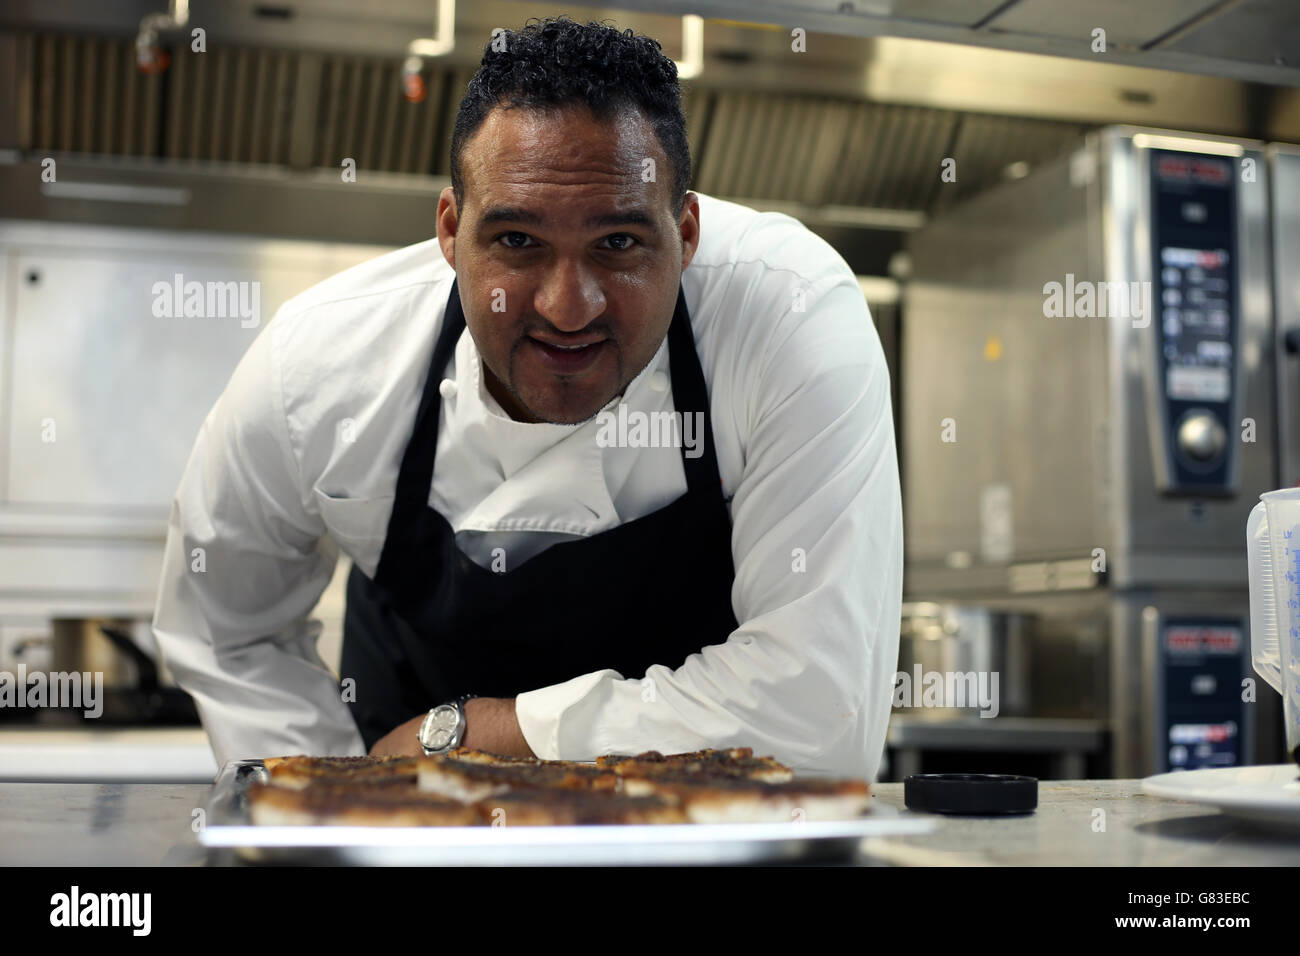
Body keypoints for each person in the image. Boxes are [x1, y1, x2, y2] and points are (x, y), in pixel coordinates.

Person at [151, 16, 902, 778]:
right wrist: (331, 803)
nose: (568, 307)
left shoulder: (787, 316)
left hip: (696, 834)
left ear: (687, 233)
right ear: (451, 231)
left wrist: (484, 730)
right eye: (517, 242)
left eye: (619, 244)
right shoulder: (318, 369)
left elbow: (817, 719)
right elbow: (227, 629)